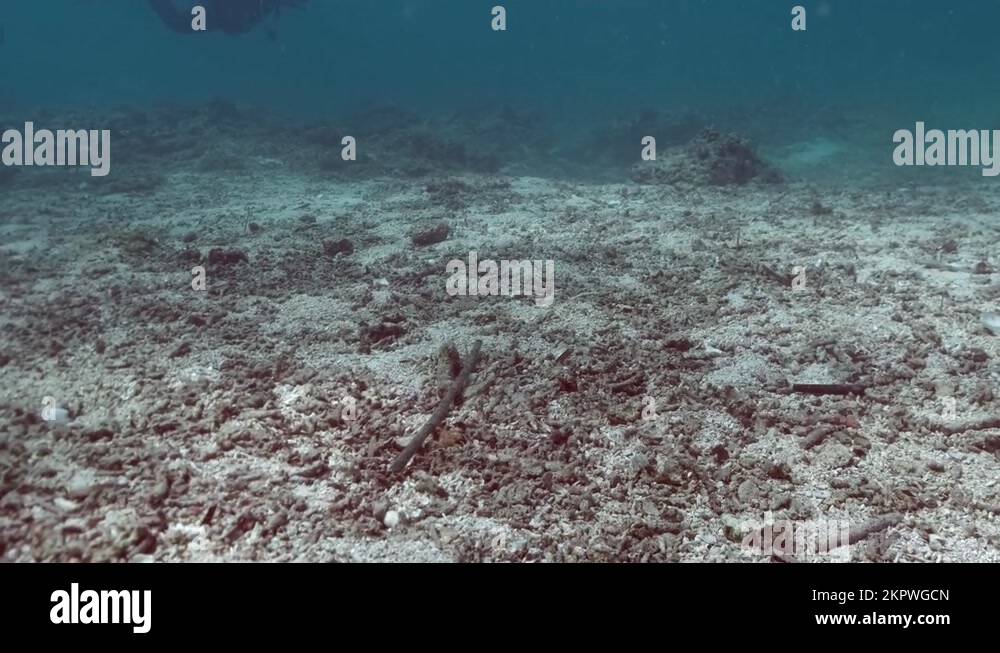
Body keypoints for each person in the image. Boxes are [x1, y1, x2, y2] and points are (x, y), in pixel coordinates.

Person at [148, 0, 308, 36]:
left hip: (218, 13)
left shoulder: (268, 5)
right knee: (178, 23)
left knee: (177, 23)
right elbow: (233, 25)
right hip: (216, 12)